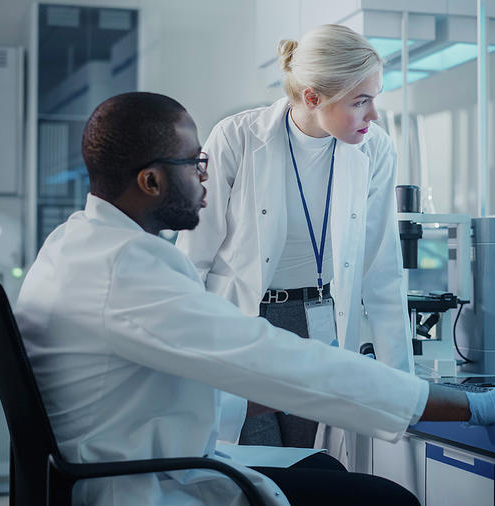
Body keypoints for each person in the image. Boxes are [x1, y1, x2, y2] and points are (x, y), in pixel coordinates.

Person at [14, 91, 495, 506]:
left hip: (118, 466)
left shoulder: (75, 246)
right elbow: (273, 358)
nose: (207, 180)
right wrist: (475, 406)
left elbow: (159, 387)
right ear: (152, 182)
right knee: (386, 502)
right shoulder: (128, 266)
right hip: (139, 486)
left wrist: (280, 391)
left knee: (328, 472)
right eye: (195, 164)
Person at [175, 24, 414, 454]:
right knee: (251, 464)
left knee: (309, 463)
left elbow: (382, 275)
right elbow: (194, 258)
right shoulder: (237, 137)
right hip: (245, 324)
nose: (373, 115)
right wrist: (186, 369)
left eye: (374, 99)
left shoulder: (374, 149)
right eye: (360, 102)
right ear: (312, 98)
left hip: (320, 324)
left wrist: (403, 394)